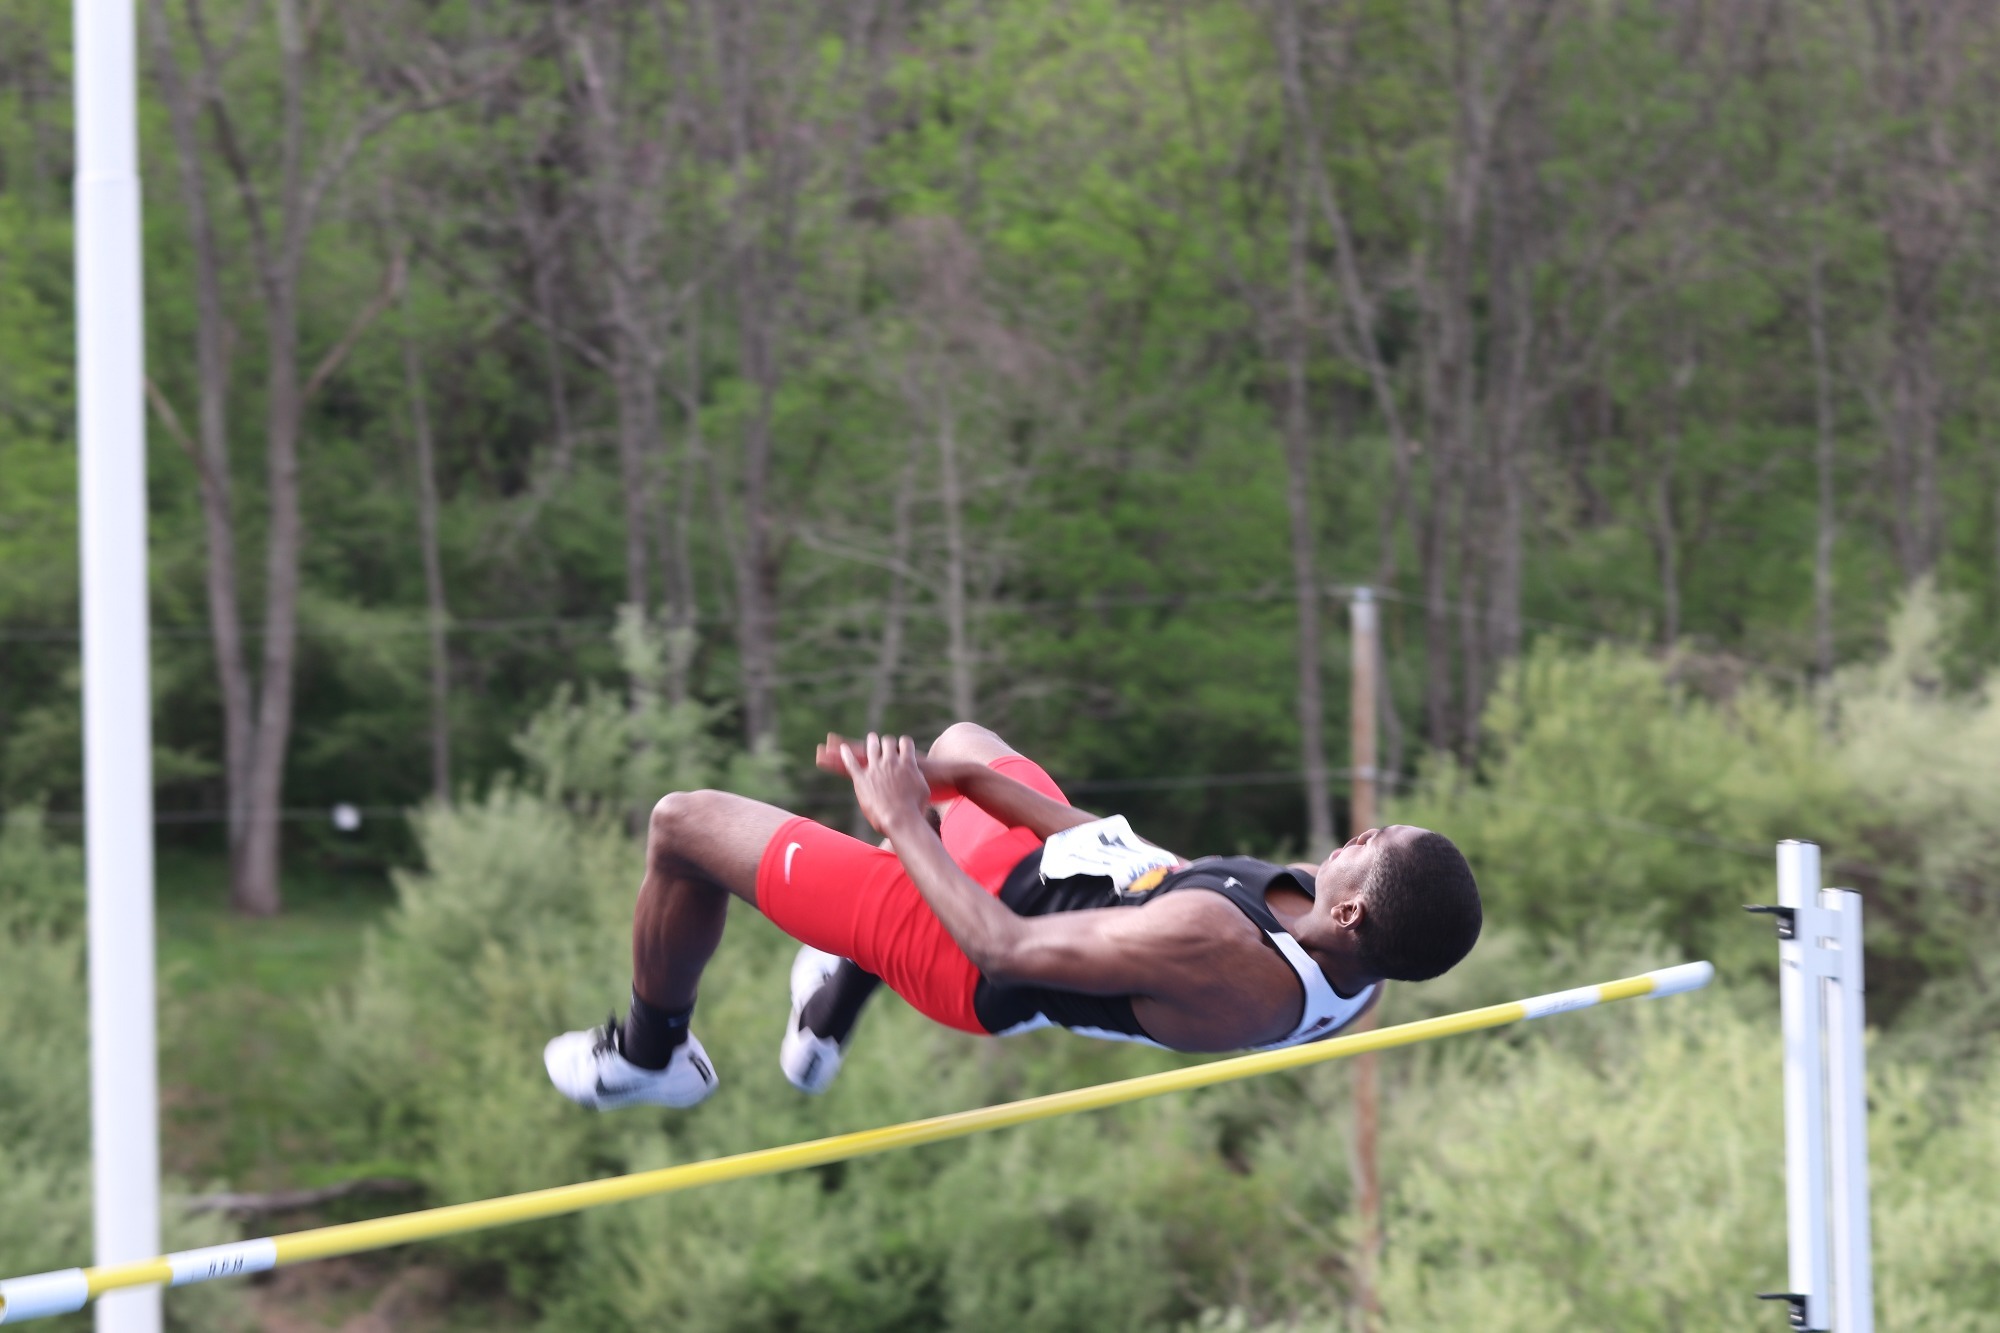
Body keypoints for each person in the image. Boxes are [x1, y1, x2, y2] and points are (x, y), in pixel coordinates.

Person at [544, 723, 1482, 1109]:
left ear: (1353, 910)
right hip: (1041, 881)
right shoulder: (1357, 969)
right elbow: (1139, 862)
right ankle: (833, 996)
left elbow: (1000, 944)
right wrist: (973, 788)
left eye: (1373, 840)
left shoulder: (1220, 952)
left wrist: (905, 819)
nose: (1357, 833)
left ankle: (650, 1053)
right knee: (960, 742)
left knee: (683, 824)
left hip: (963, 952)